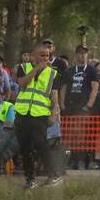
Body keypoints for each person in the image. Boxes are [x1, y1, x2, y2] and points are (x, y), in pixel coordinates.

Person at [14, 38, 62, 189]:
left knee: (41, 144)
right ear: (33, 57)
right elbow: (21, 83)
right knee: (24, 147)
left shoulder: (53, 73)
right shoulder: (23, 67)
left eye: (47, 56)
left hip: (40, 114)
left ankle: (54, 175)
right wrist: (36, 70)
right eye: (42, 55)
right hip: (22, 113)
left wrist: (54, 113)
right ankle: (30, 179)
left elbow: (54, 96)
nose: (45, 59)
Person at [62, 43, 99, 169]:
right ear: (76, 55)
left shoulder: (91, 70)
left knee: (81, 134)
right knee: (68, 135)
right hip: (70, 107)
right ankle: (69, 159)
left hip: (83, 108)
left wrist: (88, 105)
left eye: (84, 53)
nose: (82, 56)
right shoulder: (70, 71)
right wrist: (61, 103)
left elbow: (95, 88)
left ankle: (81, 160)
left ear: (87, 55)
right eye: (79, 53)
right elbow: (64, 88)